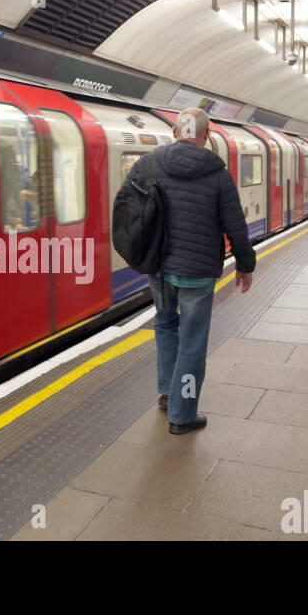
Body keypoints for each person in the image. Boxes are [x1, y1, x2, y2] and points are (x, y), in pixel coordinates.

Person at [127, 107, 256, 435]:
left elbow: (126, 210)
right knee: (192, 341)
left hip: (158, 267)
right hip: (197, 271)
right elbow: (235, 226)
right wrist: (245, 265)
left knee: (166, 325)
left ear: (174, 131)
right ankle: (183, 414)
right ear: (206, 136)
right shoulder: (217, 173)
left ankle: (169, 393)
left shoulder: (148, 163)